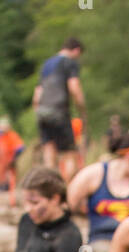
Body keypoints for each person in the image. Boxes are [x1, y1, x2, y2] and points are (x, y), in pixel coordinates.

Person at [33, 36, 86, 179]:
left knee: (49, 153)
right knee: (70, 154)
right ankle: (68, 192)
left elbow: (37, 94)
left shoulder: (47, 64)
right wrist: (82, 108)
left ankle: (50, 191)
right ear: (76, 50)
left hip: (42, 112)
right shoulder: (70, 63)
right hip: (59, 112)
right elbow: (74, 87)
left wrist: (37, 111)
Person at [0, 118, 25, 199]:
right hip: (1, 165)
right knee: (1, 180)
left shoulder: (12, 135)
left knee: (10, 180)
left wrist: (14, 158)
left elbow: (20, 148)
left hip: (10, 163)